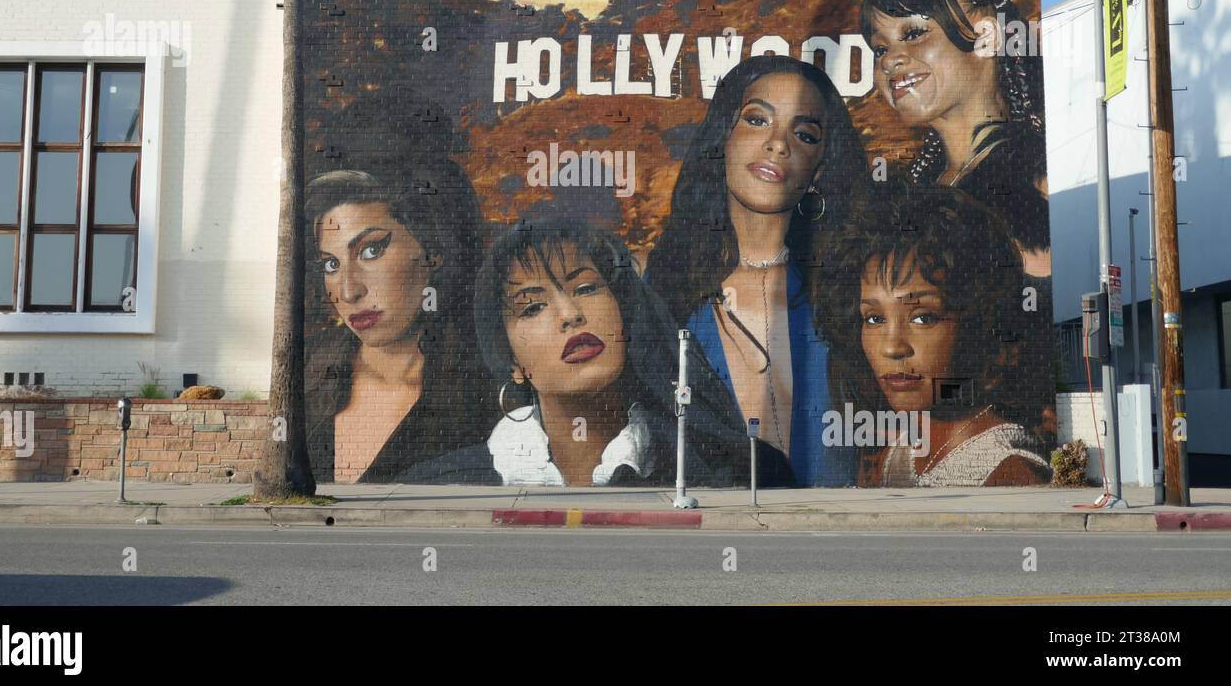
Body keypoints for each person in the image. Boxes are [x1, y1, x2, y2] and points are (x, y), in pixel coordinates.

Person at [644, 55, 870, 486]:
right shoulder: (664, 295)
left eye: (803, 134)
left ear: (819, 168)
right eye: (757, 120)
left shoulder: (851, 289)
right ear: (723, 137)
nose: (778, 144)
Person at [402, 219, 748, 486]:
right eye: (533, 307)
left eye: (585, 288)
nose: (570, 315)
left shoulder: (722, 471)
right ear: (513, 364)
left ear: (624, 314)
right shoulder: (442, 483)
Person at [811, 181, 1052, 487]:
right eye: (874, 318)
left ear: (977, 320)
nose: (892, 348)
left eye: (922, 317)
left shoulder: (1008, 471)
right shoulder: (895, 453)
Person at [860, 0, 1049, 275]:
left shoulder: (1041, 177)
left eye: (915, 33)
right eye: (880, 48)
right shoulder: (920, 186)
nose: (889, 60)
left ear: (985, 37)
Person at [305, 158, 496, 483]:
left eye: (370, 251)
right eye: (331, 265)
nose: (349, 291)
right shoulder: (308, 377)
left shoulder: (489, 387)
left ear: (432, 250)